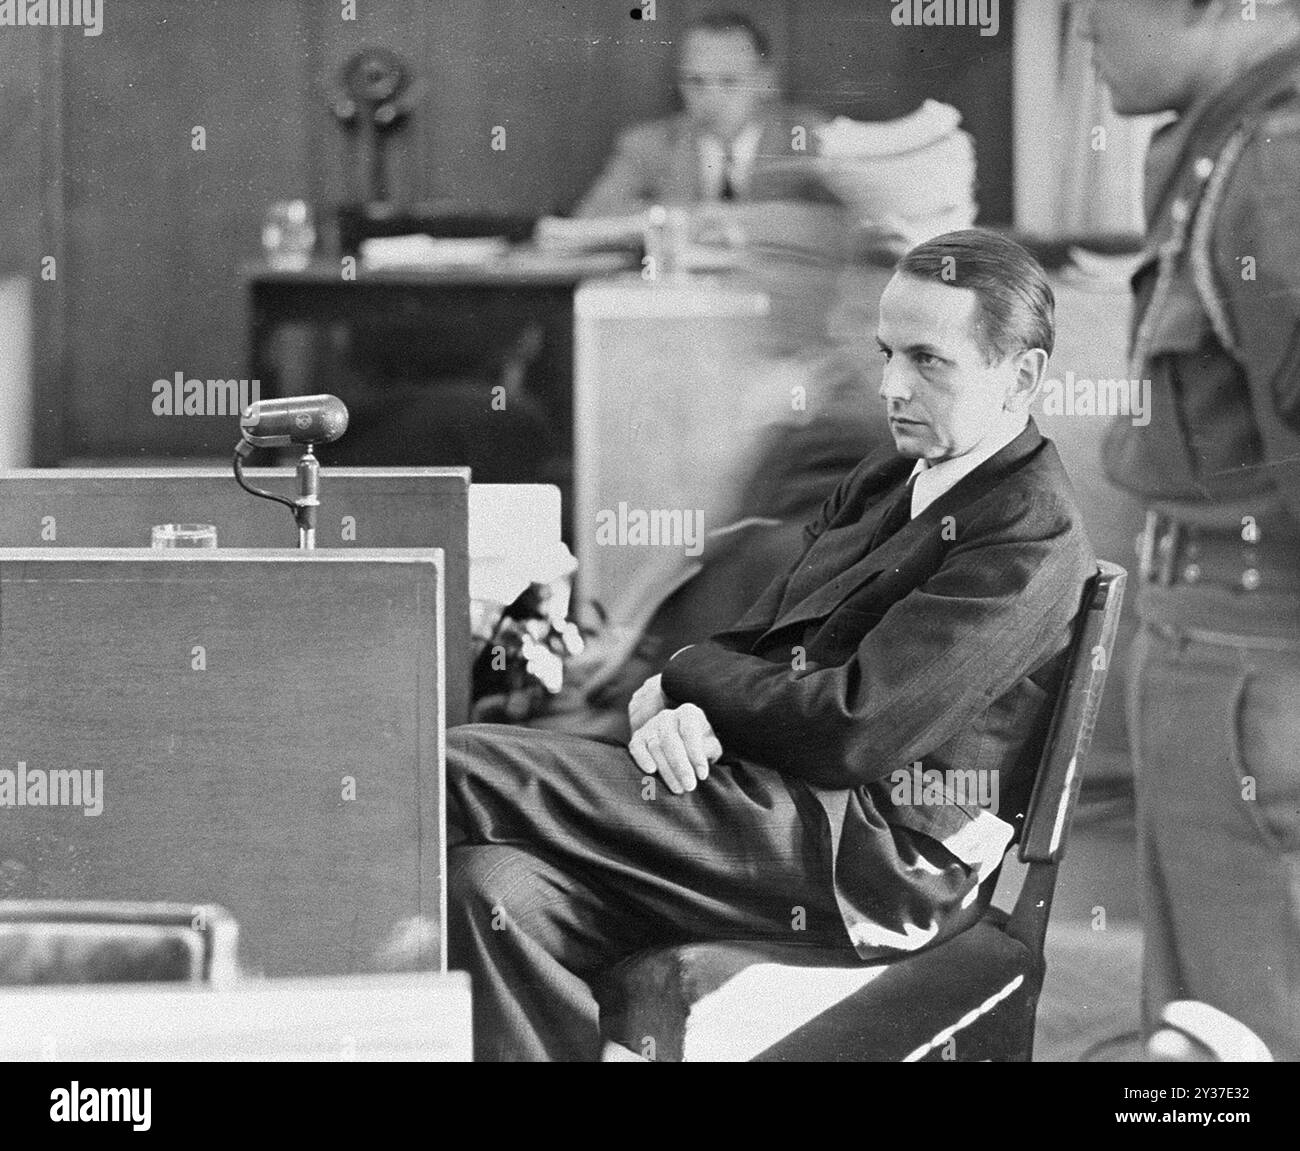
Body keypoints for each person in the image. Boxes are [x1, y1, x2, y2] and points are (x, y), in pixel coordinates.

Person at [446, 229, 1097, 1061]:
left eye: (929, 361)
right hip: (773, 806)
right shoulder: (888, 477)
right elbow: (754, 637)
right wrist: (676, 711)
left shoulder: (1029, 528)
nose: (892, 385)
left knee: (458, 768)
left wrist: (677, 680)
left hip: (876, 856)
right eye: (886, 353)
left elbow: (855, 721)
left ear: (1023, 377)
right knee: (489, 889)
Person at [1080, 0, 1300, 1061]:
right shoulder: (1218, 148)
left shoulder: (1277, 163)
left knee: (1238, 1036)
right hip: (1203, 648)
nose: (1080, 31)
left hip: (1250, 662)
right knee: (1200, 1025)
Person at [573, 10, 824, 217]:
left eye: (729, 81)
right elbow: (592, 215)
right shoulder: (650, 143)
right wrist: (692, 216)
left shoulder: (807, 137)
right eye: (696, 82)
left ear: (765, 82)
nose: (711, 97)